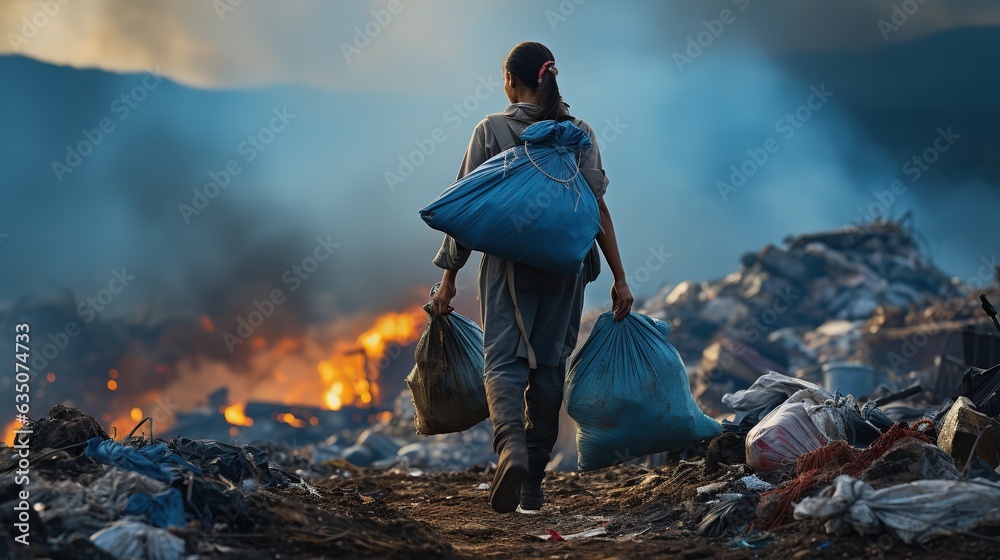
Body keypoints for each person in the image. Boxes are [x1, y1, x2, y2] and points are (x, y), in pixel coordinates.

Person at [430, 41, 634, 513]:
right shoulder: (577, 132)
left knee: (503, 362)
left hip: (508, 269)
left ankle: (512, 453)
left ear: (510, 81)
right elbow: (597, 208)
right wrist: (619, 279)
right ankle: (533, 487)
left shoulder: (492, 129)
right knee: (548, 367)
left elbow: (464, 209)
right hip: (567, 270)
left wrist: (448, 279)